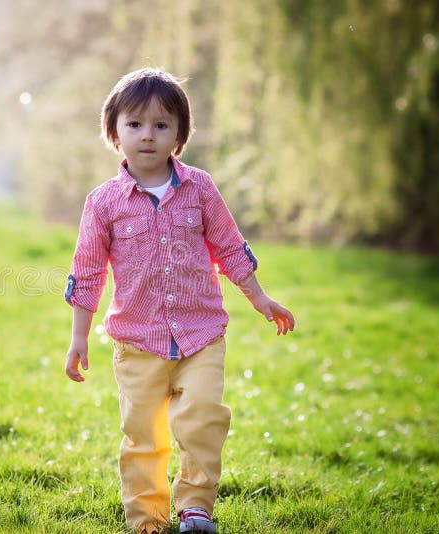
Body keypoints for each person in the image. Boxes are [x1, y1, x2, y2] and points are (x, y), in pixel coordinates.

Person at [64, 68, 295, 534]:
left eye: (161, 125)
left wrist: (260, 297)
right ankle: (149, 519)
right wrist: (79, 338)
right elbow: (87, 273)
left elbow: (230, 247)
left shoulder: (201, 188)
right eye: (134, 124)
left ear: (179, 136)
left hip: (201, 336)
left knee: (203, 420)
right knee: (144, 437)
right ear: (114, 134)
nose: (147, 135)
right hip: (137, 343)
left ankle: (195, 510)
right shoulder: (103, 203)